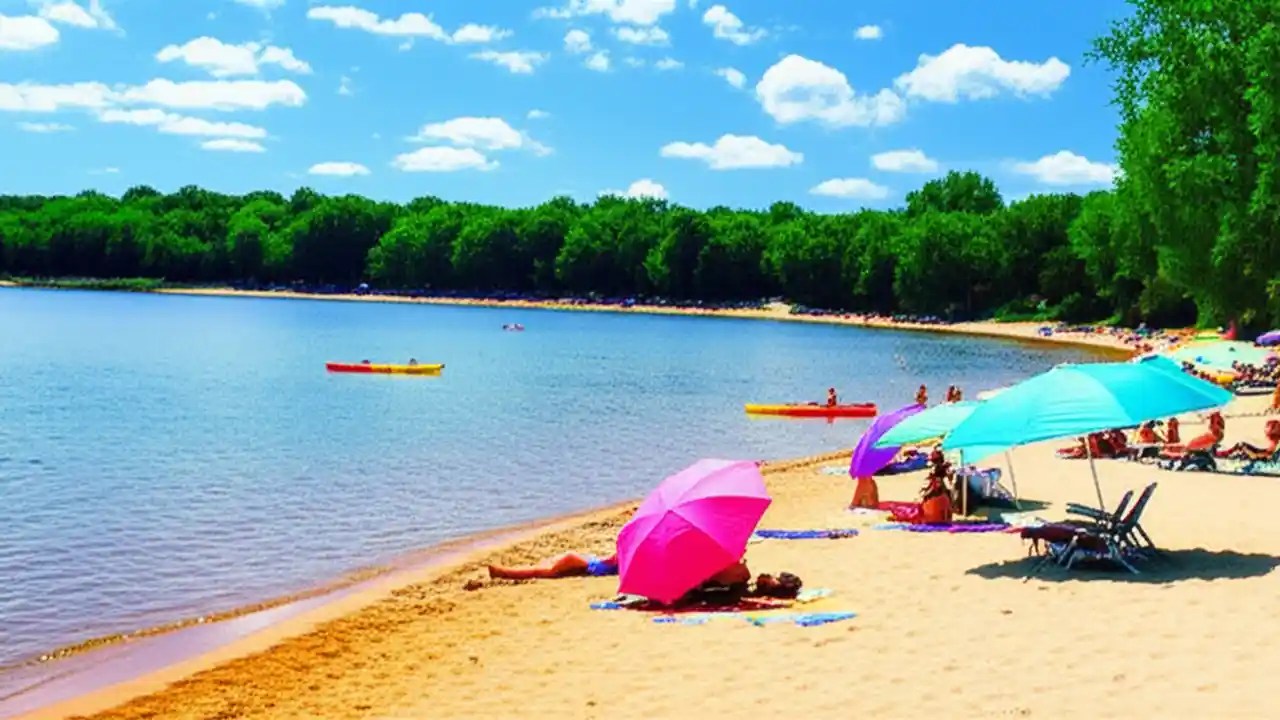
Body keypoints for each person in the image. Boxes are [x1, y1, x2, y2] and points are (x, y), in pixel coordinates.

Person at [488, 552, 618, 580]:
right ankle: (504, 572)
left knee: (549, 571)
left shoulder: (627, 555)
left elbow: (609, 561)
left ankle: (503, 573)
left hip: (593, 566)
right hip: (594, 563)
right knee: (552, 564)